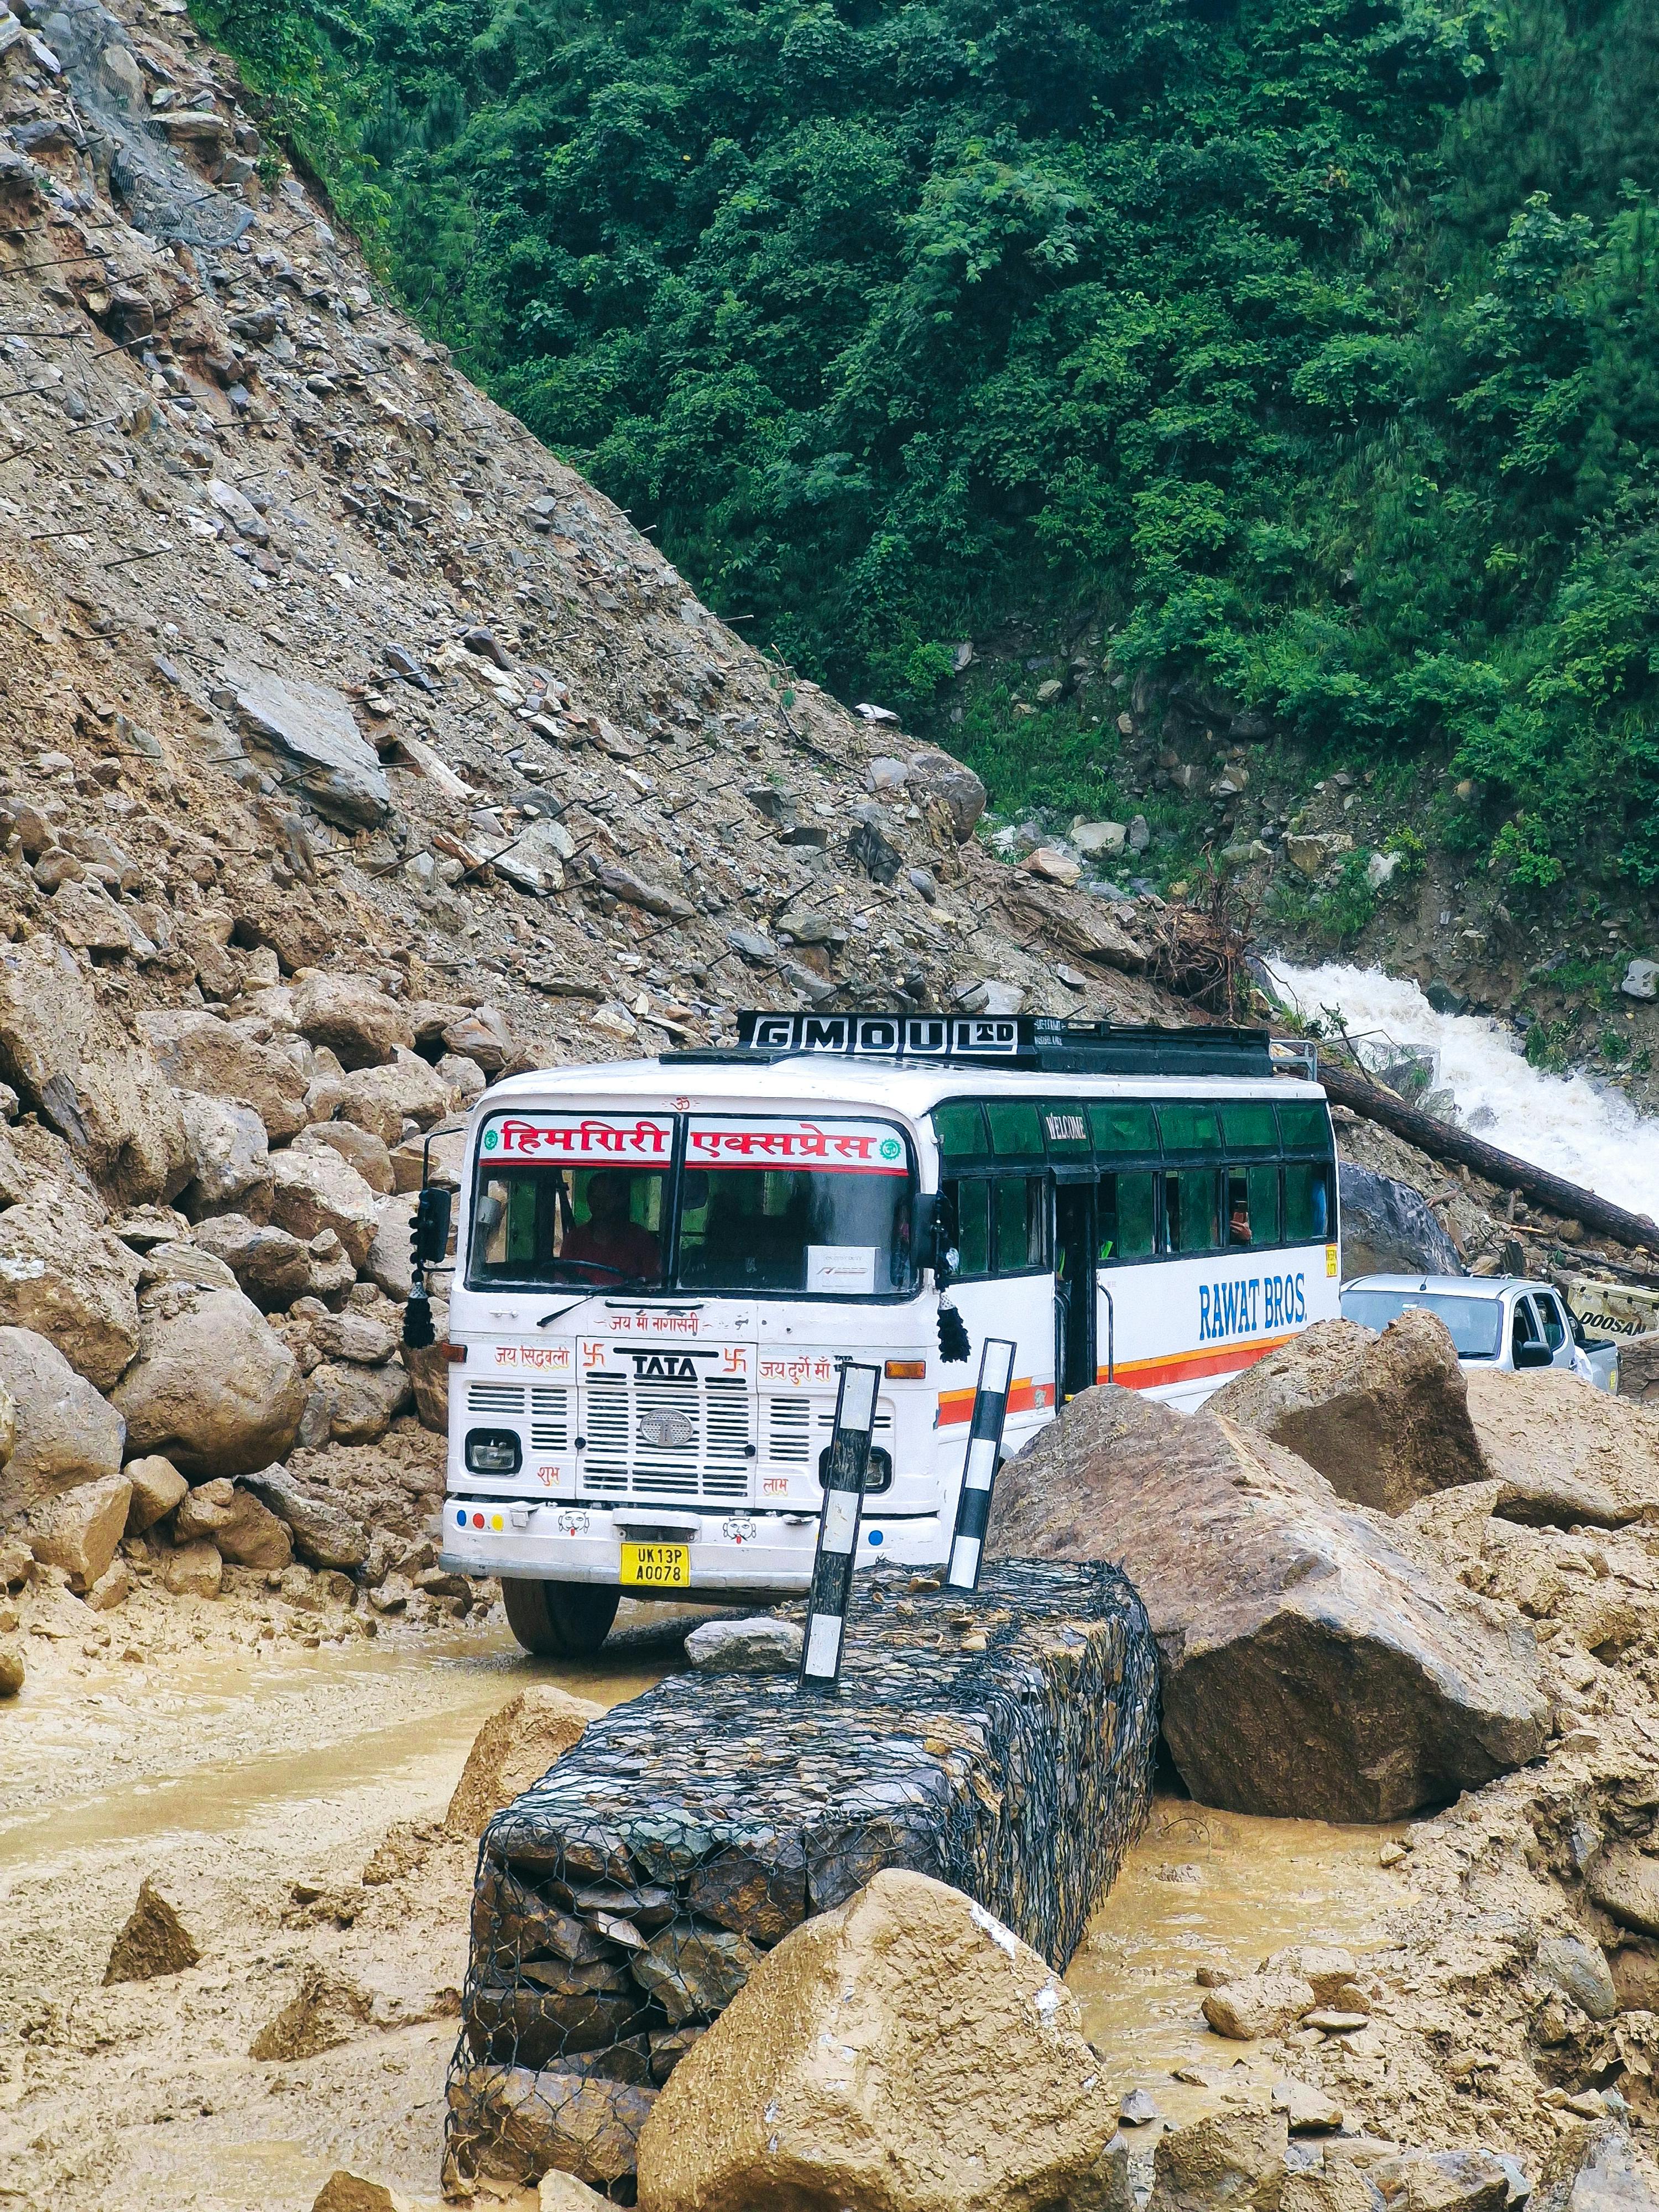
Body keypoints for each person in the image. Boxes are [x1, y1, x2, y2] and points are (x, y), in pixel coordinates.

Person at [562, 1171, 660, 1280]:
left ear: (619, 1200)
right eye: (595, 1197)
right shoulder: (575, 1239)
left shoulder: (640, 1239)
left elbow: (652, 1282)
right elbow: (562, 1281)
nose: (600, 1203)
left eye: (606, 1197)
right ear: (588, 1200)